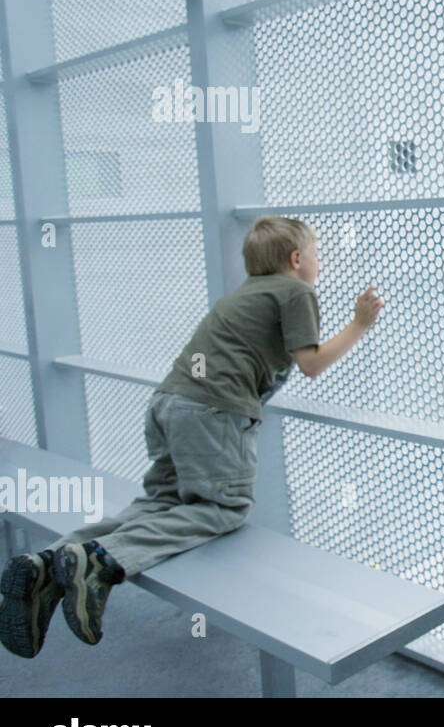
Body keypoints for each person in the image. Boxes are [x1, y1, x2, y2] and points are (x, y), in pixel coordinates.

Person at [0, 215, 384, 657]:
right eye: (317, 253)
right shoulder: (296, 291)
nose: (320, 262)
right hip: (213, 413)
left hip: (170, 403)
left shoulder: (244, 294)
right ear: (296, 258)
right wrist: (360, 323)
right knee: (223, 507)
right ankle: (100, 561)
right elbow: (312, 363)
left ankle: (47, 562)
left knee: (161, 502)